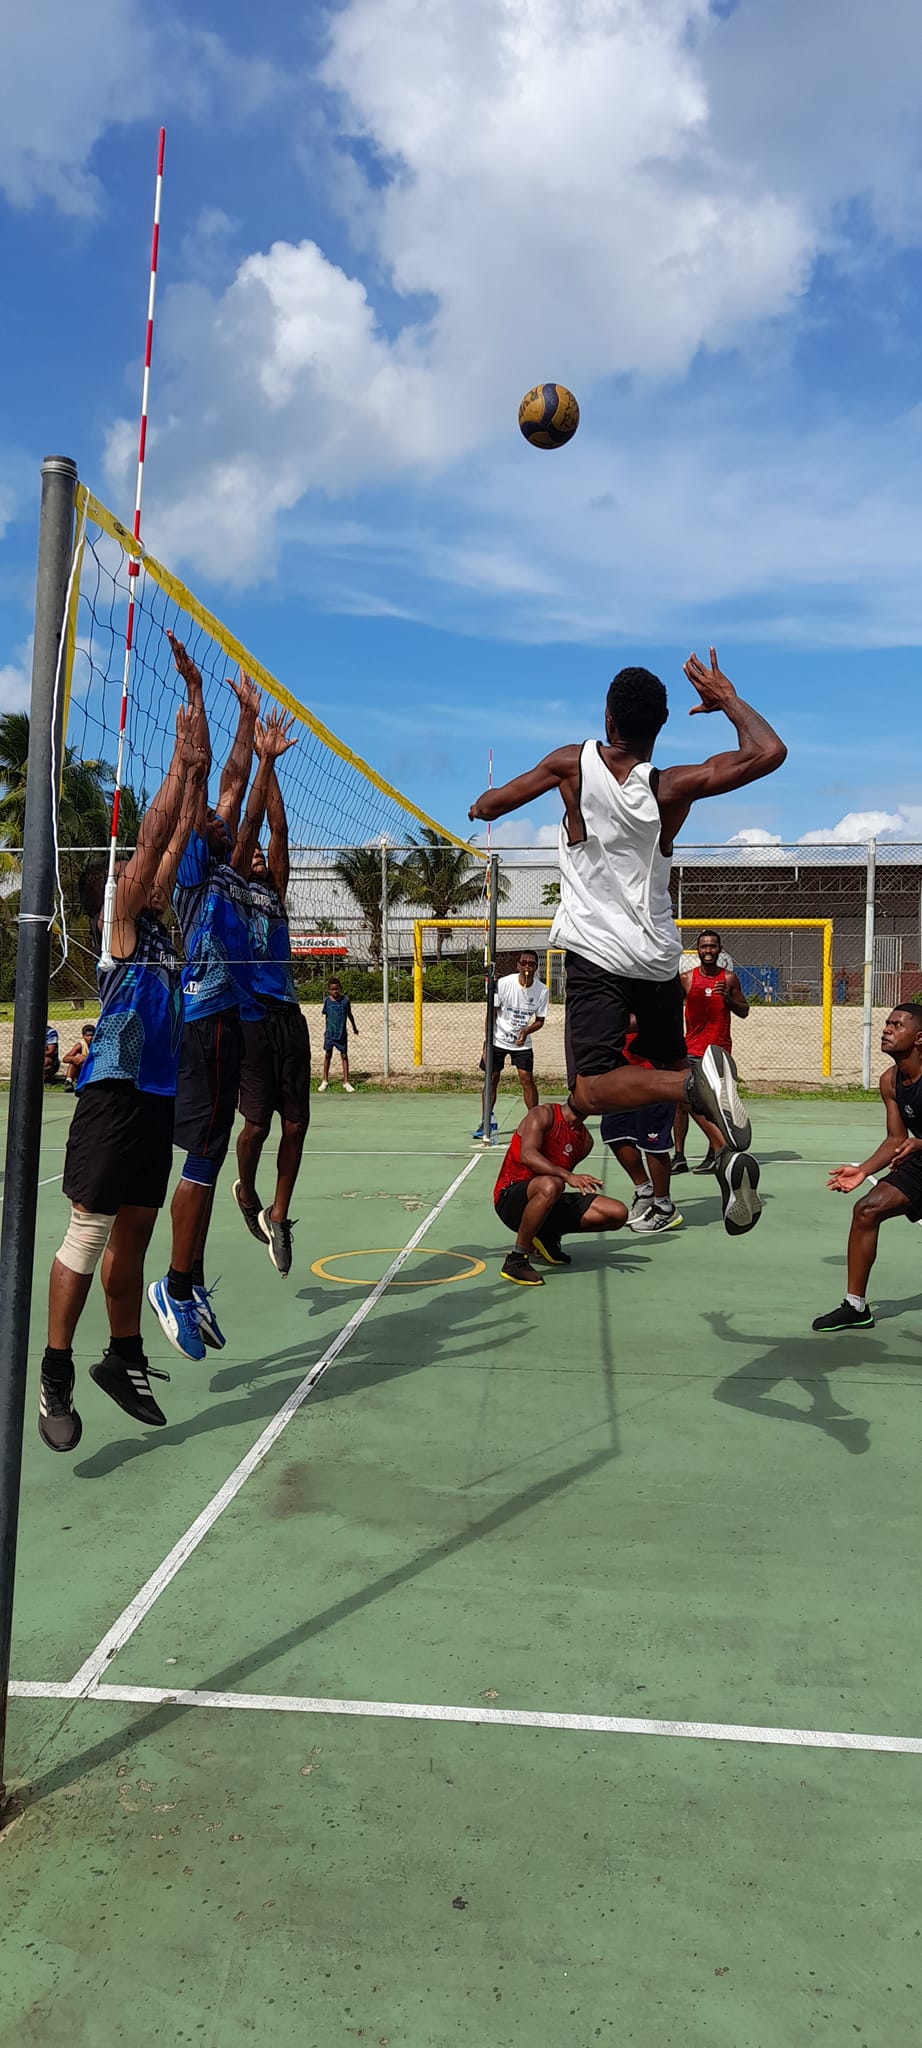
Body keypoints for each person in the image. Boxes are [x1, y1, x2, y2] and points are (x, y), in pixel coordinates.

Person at [469, 647, 786, 1238]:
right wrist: (726, 700)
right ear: (659, 729)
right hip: (658, 956)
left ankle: (695, 1083)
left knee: (590, 1091)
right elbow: (769, 753)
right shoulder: (673, 787)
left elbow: (487, 806)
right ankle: (724, 1151)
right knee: (667, 1059)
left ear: (608, 721)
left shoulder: (571, 763)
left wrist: (552, 808)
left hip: (597, 954)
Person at [38, 704, 207, 1452]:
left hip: (159, 1095)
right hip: (113, 1086)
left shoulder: (163, 922)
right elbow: (149, 841)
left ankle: (125, 1358)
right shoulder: (123, 926)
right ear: (116, 893)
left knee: (135, 1230)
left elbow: (174, 839)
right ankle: (55, 1371)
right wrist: (176, 757)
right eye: (138, 877)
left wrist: (198, 774)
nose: (151, 877)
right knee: (91, 1227)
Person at [148, 636, 264, 1362]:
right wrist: (193, 700)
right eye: (215, 819)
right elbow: (207, 788)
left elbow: (234, 776)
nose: (224, 818)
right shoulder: (195, 862)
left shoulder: (226, 866)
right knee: (201, 1155)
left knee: (210, 1155)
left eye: (226, 820)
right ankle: (176, 1284)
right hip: (204, 1022)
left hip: (228, 1024)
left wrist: (247, 718)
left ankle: (185, 1283)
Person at [231, 723, 312, 1279]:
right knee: (256, 1127)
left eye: (264, 854)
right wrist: (260, 760)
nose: (260, 854)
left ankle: (279, 1217)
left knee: (297, 1125)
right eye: (254, 852)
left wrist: (275, 764)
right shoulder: (234, 888)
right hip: (252, 1014)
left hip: (288, 1014)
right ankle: (247, 1191)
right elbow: (254, 825)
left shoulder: (275, 893)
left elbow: (277, 828)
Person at [813, 1005, 922, 1332]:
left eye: (896, 1025)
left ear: (919, 1038)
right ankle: (855, 1306)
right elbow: (895, 1139)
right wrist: (862, 1171)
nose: (887, 1030)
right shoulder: (890, 1081)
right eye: (887, 1023)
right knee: (866, 1210)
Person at [493, 1099, 629, 1285]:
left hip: (547, 1195)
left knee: (617, 1213)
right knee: (552, 1184)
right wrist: (568, 1176)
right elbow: (528, 1155)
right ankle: (516, 1259)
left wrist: (570, 1178)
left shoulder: (585, 1140)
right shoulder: (543, 1114)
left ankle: (546, 1234)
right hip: (509, 1198)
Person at [672, 930, 749, 1175]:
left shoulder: (728, 979)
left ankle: (715, 1154)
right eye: (704, 946)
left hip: (719, 1052)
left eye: (712, 946)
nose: (708, 951)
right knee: (681, 1103)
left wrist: (728, 1000)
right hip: (691, 1050)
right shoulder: (686, 979)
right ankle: (679, 1156)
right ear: (697, 950)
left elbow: (744, 1011)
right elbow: (671, 1011)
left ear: (719, 949)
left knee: (716, 1105)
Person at [601, 1024, 682, 1234]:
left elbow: (648, 1019)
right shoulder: (617, 994)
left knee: (653, 1144)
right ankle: (645, 1191)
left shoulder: (653, 995)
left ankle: (664, 1208)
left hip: (654, 1075)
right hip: (621, 1074)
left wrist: (610, 1019)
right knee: (613, 1131)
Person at [473, 949, 549, 1140]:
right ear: (518, 965)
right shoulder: (504, 984)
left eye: (531, 963)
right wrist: (486, 1043)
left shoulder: (542, 991)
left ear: (536, 967)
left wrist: (526, 1031)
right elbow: (491, 1013)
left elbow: (539, 1021)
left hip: (521, 1043)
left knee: (526, 1079)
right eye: (523, 962)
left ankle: (535, 1121)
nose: (527, 966)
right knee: (492, 1078)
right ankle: (486, 1121)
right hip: (498, 1039)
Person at [319, 978, 357, 1091]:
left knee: (344, 1056)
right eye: (332, 989)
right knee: (327, 1055)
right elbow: (326, 1015)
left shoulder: (345, 1001)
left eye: (337, 989)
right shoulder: (327, 1001)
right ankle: (324, 1080)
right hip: (330, 1033)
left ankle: (346, 1082)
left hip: (341, 1033)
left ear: (340, 989)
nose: (335, 991)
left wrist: (354, 1027)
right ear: (329, 990)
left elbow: (349, 1014)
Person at [62, 1021, 96, 1093]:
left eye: (92, 1035)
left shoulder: (98, 1044)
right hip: (82, 1070)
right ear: (83, 1036)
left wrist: (86, 1058)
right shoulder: (80, 1045)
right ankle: (69, 1082)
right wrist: (75, 1059)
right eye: (87, 1036)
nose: (90, 1038)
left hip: (95, 1070)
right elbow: (65, 1059)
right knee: (72, 1063)